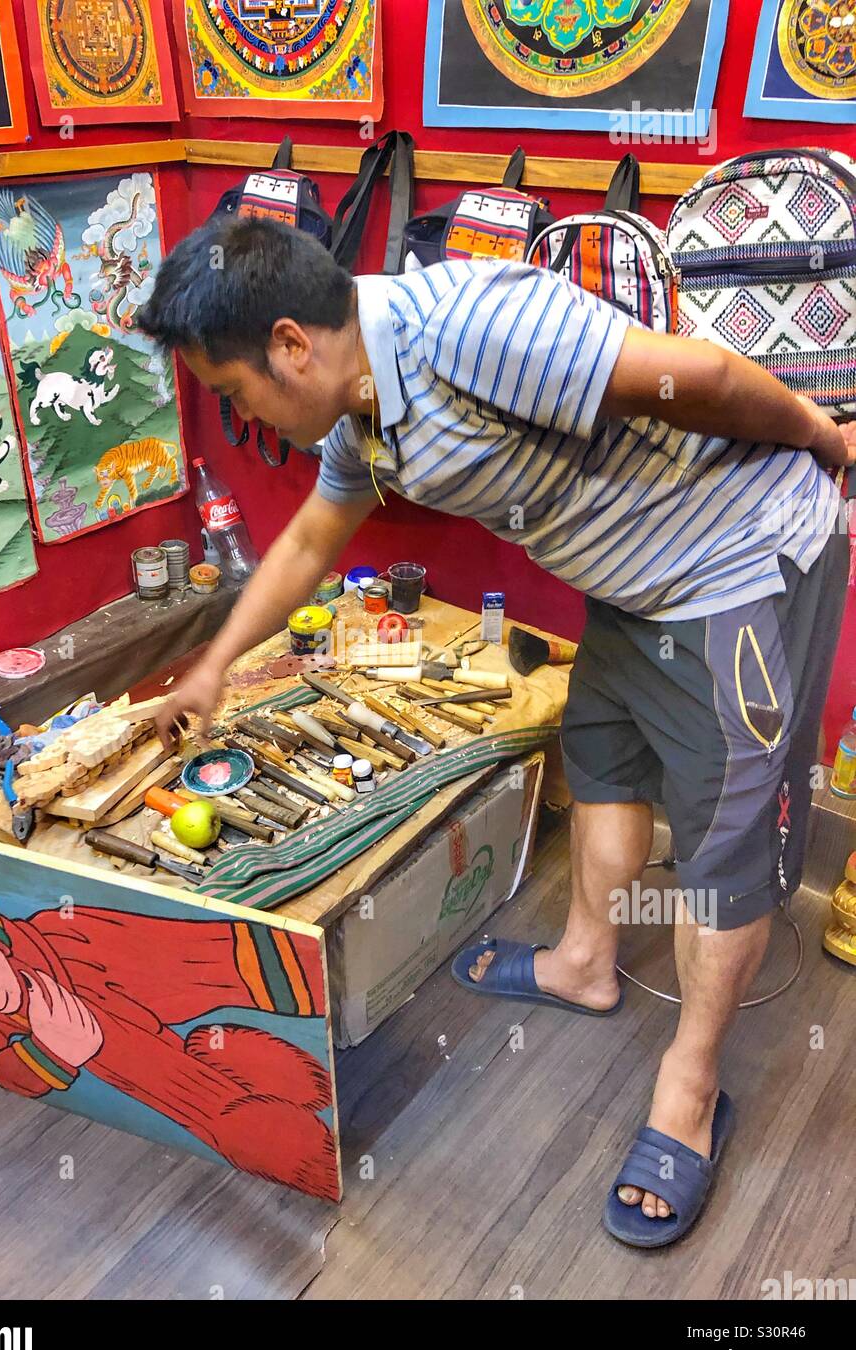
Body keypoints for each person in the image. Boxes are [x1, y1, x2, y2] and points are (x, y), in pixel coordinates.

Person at [137, 216, 856, 1245]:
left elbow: (701, 376)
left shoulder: (468, 327)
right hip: (636, 584)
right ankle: (585, 962)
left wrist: (827, 441)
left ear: (291, 344)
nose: (232, 407)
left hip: (735, 561)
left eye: (230, 387)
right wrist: (212, 667)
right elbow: (306, 539)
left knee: (720, 853)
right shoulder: (362, 415)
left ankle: (690, 1085)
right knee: (600, 753)